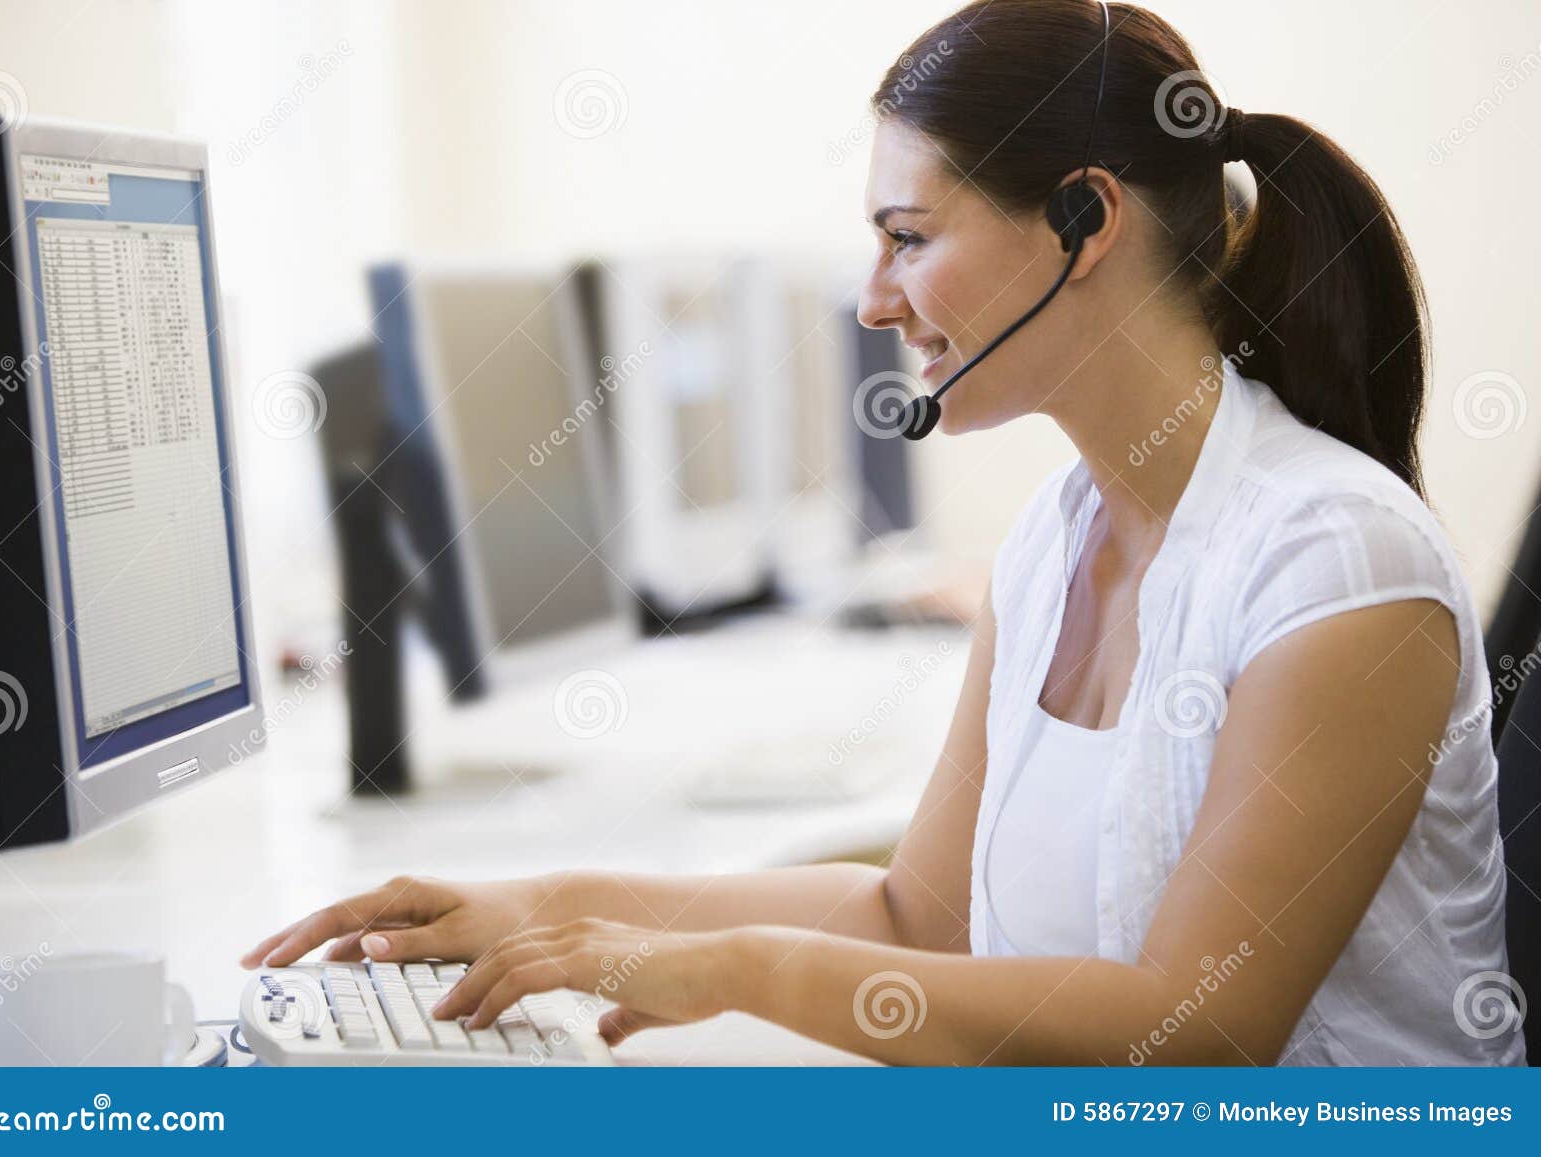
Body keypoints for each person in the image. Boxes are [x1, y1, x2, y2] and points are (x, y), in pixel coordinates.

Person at [243, 0, 1524, 1065]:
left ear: (1084, 220)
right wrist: (555, 903)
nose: (869, 301)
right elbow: (919, 913)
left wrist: (737, 970)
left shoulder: (1335, 562)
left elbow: (1196, 1036)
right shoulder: (1059, 537)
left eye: (908, 238)